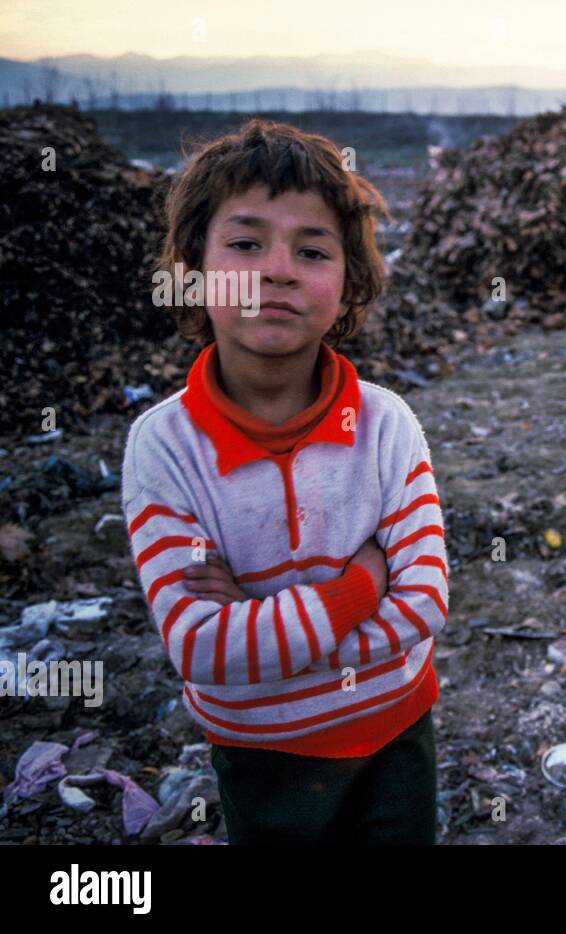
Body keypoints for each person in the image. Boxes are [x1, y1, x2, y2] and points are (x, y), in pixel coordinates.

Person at [121, 119, 448, 843]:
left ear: (349, 280)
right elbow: (204, 650)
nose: (278, 269)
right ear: (191, 267)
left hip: (397, 727)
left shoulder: (387, 426)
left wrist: (262, 627)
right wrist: (361, 588)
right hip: (261, 753)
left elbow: (424, 603)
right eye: (244, 243)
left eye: (311, 250)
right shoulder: (165, 448)